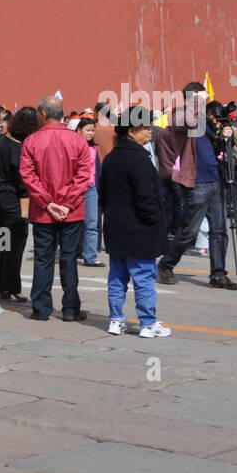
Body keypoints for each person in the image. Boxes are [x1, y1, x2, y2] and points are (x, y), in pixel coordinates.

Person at [19, 95, 93, 322]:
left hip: (43, 212)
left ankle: (41, 308)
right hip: (72, 211)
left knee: (43, 259)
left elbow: (27, 175)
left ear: (42, 114)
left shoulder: (31, 141)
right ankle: (70, 309)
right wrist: (67, 203)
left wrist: (47, 202)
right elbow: (84, 175)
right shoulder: (78, 140)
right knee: (69, 259)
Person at [158, 95, 237, 291]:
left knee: (219, 231)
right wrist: (197, 105)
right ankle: (166, 264)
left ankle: (218, 274)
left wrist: (224, 135)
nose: (214, 118)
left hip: (215, 182)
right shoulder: (186, 123)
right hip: (197, 184)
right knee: (189, 231)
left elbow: (218, 148)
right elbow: (177, 122)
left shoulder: (209, 127)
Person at [100, 107, 169, 338]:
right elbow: (146, 196)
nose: (150, 131)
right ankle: (148, 323)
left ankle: (116, 320)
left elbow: (104, 195)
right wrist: (155, 220)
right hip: (139, 229)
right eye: (145, 128)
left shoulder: (111, 157)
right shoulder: (139, 159)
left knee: (117, 278)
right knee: (143, 278)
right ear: (131, 131)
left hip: (116, 227)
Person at [0, 106, 35, 302]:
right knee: (16, 245)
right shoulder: (19, 148)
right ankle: (10, 286)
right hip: (11, 202)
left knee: (3, 242)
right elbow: (23, 184)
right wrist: (24, 214)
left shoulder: (0, 142)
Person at [76, 116, 105, 267]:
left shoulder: (94, 149)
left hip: (91, 189)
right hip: (75, 189)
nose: (90, 133)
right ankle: (72, 251)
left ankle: (91, 257)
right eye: (88, 130)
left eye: (93, 130)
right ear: (79, 130)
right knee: (73, 223)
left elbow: (97, 171)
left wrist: (98, 190)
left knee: (92, 224)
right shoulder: (73, 147)